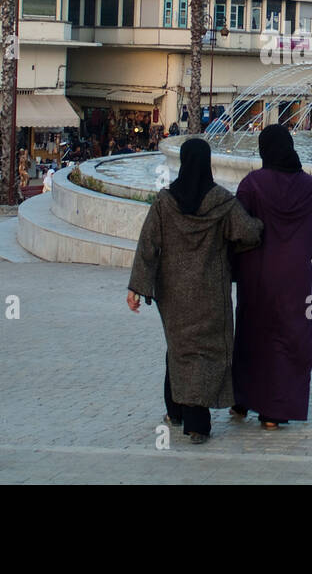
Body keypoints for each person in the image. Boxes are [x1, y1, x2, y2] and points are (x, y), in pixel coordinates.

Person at [127, 138, 263, 443]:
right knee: (206, 353)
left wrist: (136, 288)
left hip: (173, 293)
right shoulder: (222, 201)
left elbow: (148, 245)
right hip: (211, 291)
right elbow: (249, 232)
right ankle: (197, 423)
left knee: (179, 351)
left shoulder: (164, 202)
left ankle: (175, 412)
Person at [231, 125, 312, 430]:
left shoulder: (252, 184)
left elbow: (237, 227)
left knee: (253, 336)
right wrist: (300, 255)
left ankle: (244, 398)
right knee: (291, 339)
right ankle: (276, 411)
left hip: (257, 275)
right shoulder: (309, 186)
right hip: (296, 278)